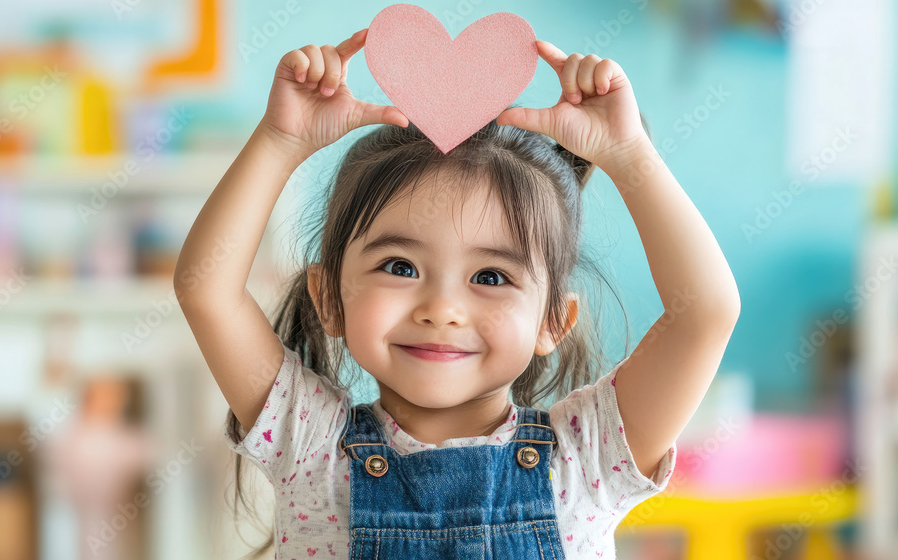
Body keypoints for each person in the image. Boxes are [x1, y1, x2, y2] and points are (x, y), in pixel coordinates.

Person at [174, 26, 740, 560]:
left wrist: (629, 154)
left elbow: (705, 314)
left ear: (553, 321)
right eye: (399, 266)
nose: (441, 310)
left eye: (490, 278)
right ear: (329, 299)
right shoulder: (309, 445)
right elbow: (206, 289)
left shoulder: (589, 455)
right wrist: (281, 141)